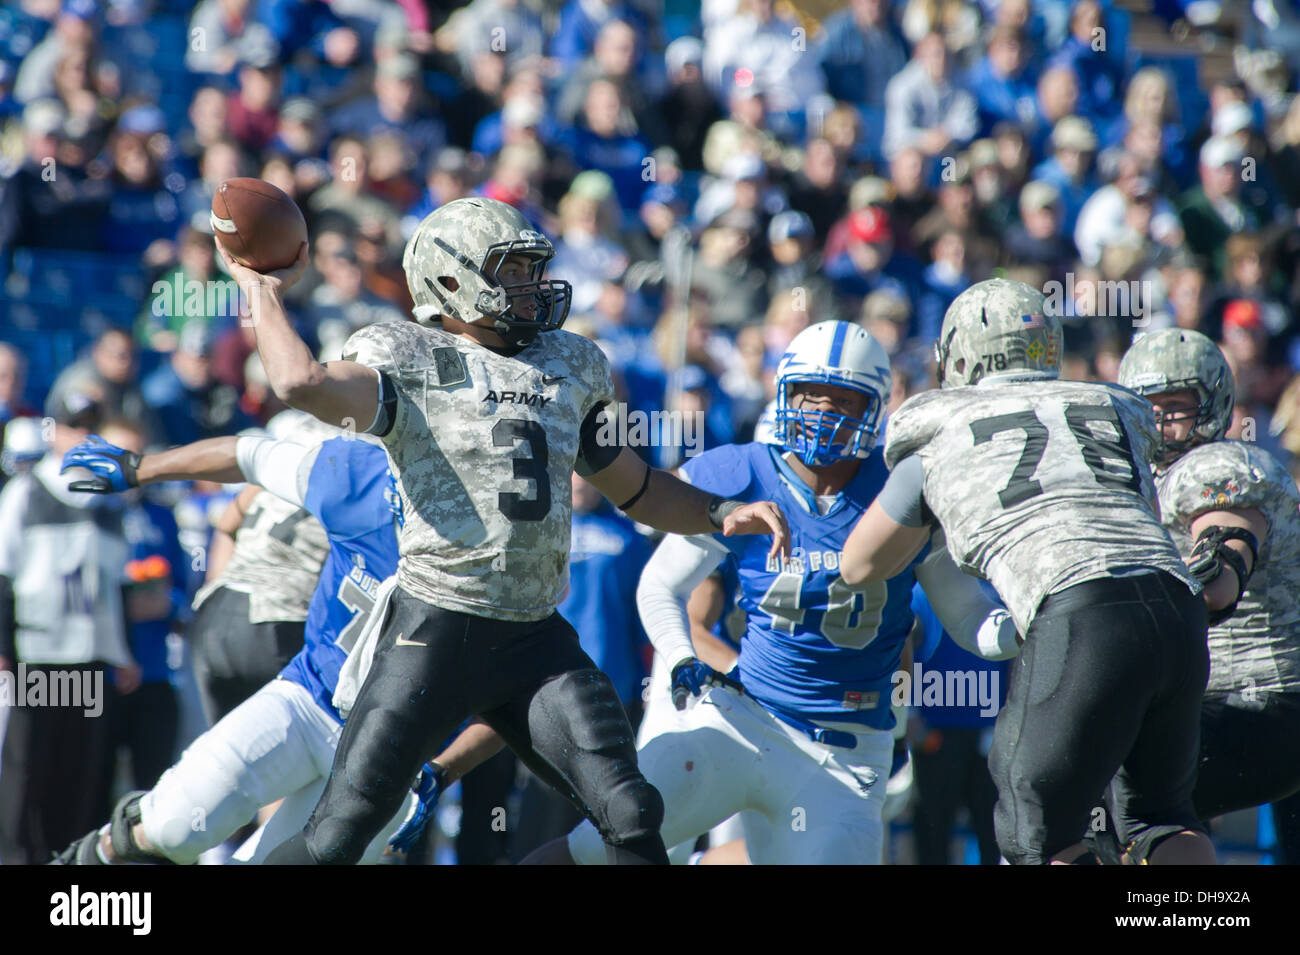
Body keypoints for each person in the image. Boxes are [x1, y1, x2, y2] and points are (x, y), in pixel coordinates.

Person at [215, 196, 787, 866]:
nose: (530, 285)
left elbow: (634, 486)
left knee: (632, 811)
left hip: (532, 636)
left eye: (531, 267)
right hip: (431, 626)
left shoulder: (570, 365)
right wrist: (261, 289)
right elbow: (297, 380)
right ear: (452, 281)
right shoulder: (409, 357)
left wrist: (716, 513)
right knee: (343, 830)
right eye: (511, 270)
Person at [524, 321, 1018, 865]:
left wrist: (1020, 627)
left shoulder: (900, 488)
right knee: (598, 847)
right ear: (785, 394)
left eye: (843, 400)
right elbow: (660, 584)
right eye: (812, 396)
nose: (825, 413)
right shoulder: (743, 474)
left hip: (844, 751)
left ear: (874, 408)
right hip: (741, 717)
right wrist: (683, 656)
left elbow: (964, 609)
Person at [839, 278, 1216, 866]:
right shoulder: (1108, 403)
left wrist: (926, 531)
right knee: (1161, 818)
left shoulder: (943, 426)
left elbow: (859, 563)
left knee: (1035, 832)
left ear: (960, 354)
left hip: (1082, 610)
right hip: (1177, 605)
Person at [51, 423, 503, 865]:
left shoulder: (504, 559)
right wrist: (140, 467)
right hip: (306, 698)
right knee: (172, 823)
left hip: (393, 756)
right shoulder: (359, 475)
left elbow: (517, 694)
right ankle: (95, 858)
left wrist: (442, 770)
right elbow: (247, 454)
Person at [1117, 329, 1300, 837]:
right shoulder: (1142, 480)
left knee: (1115, 792)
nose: (1160, 423)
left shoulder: (1219, 464)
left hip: (1263, 700)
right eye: (1147, 408)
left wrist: (1214, 570)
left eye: (1174, 406)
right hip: (1215, 703)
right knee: (1154, 818)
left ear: (1212, 403)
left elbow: (1220, 571)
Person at [0, 401, 135, 864]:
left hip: (91, 653)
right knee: (29, 766)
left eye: (91, 426)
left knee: (82, 770)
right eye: (74, 425)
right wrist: (2, 645)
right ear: (53, 431)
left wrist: (124, 652)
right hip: (39, 649)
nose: (81, 435)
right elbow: (3, 571)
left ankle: (71, 862)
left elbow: (118, 587)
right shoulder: (26, 490)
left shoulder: (107, 498)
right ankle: (20, 857)